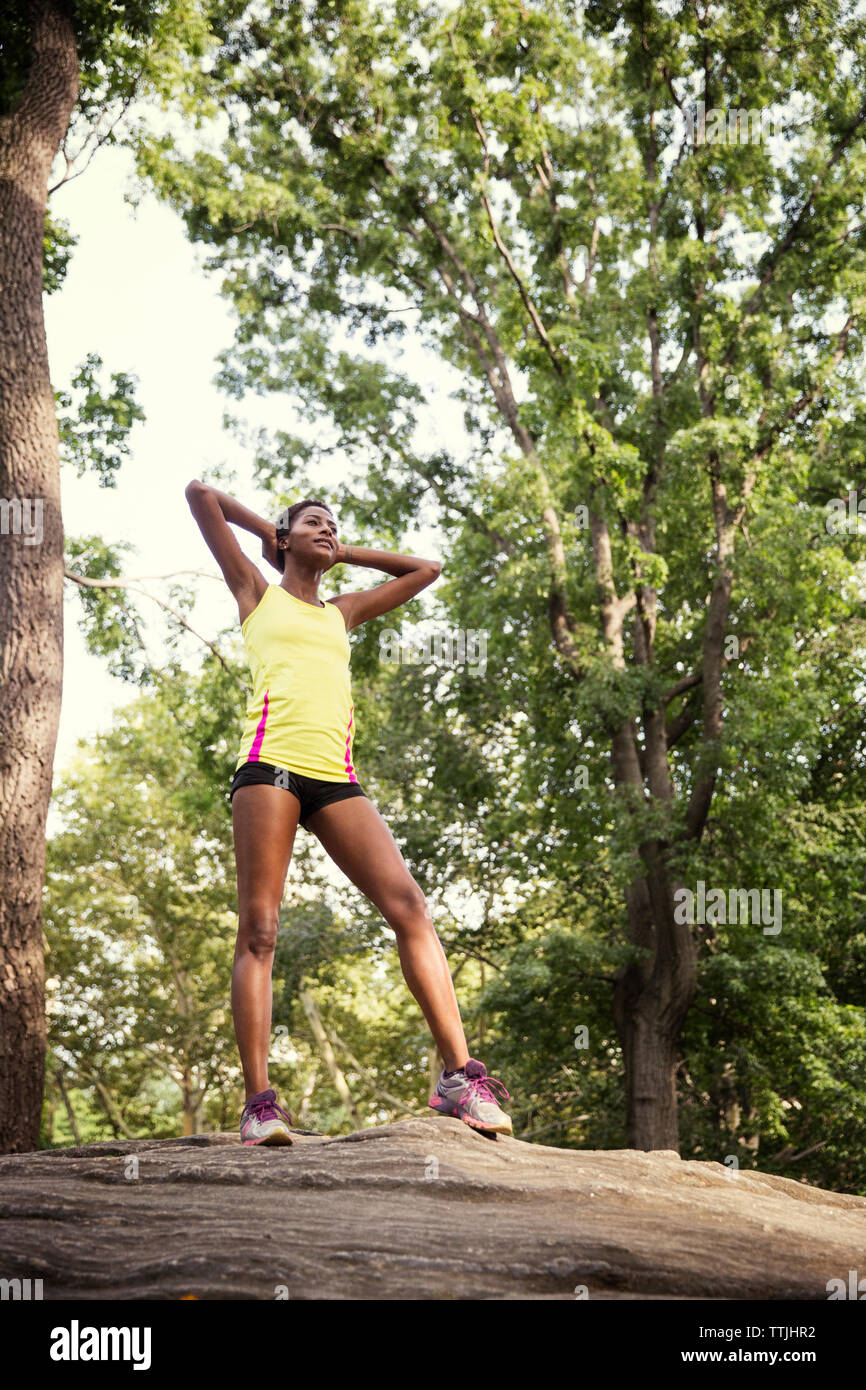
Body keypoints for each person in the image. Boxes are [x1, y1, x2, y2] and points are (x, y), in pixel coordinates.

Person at [184, 482, 512, 1144]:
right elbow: (200, 495)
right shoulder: (256, 591)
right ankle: (260, 1103)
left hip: (336, 778)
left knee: (409, 908)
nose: (329, 529)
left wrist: (336, 549)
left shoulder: (343, 611)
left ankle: (459, 1078)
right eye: (315, 522)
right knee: (260, 930)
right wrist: (277, 538)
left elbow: (427, 570)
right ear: (282, 538)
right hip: (269, 769)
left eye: (335, 524)